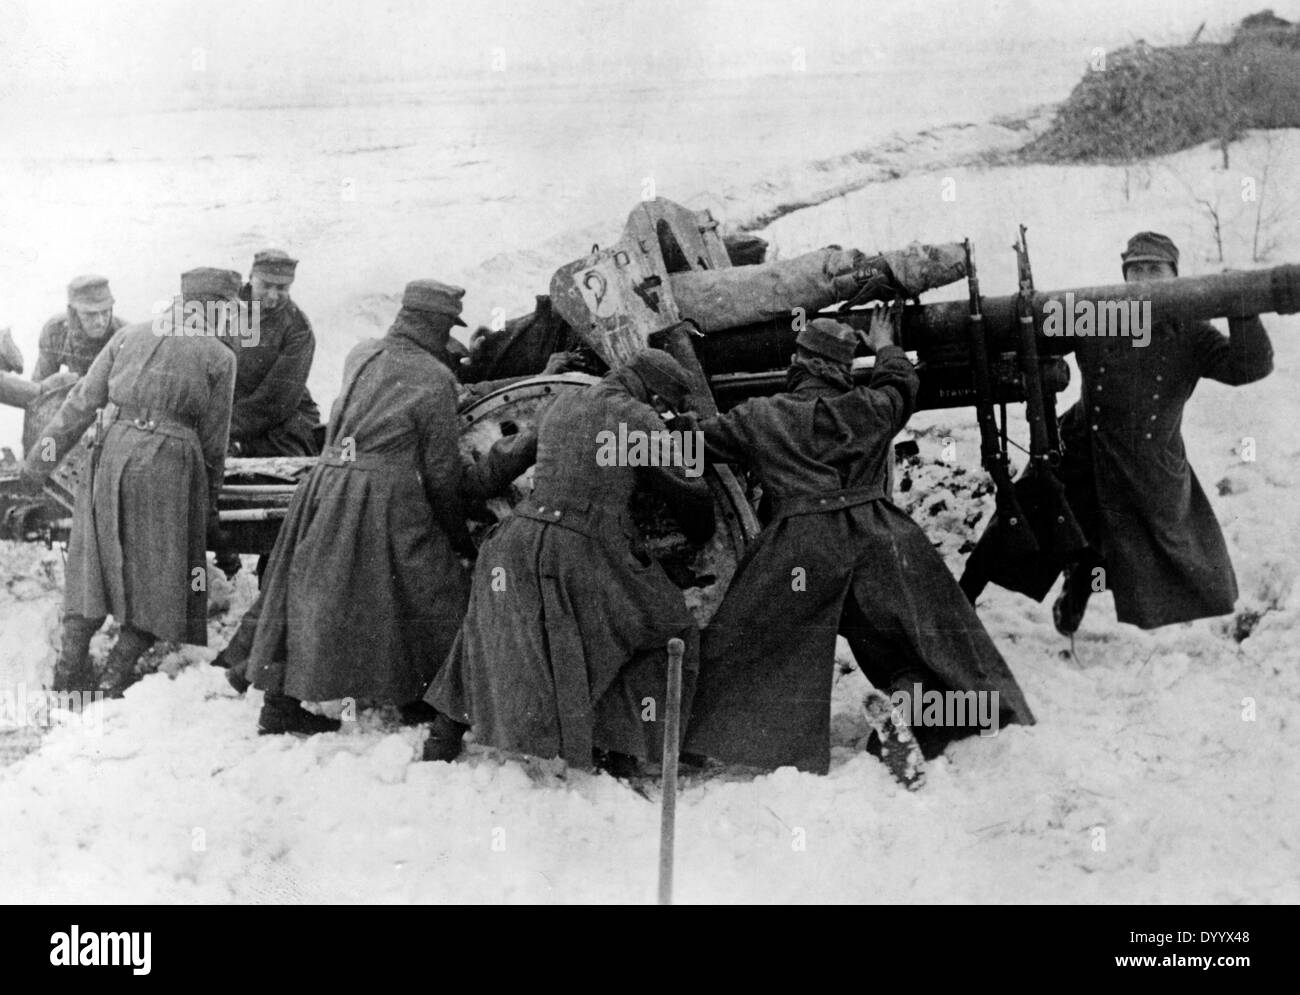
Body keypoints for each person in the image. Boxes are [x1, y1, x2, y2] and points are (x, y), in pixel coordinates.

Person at [681, 313, 1036, 777]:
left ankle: (715, 738)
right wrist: (886, 344)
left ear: (800, 363)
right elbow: (901, 383)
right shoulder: (872, 408)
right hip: (881, 537)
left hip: (800, 546)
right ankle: (923, 711)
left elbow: (690, 443)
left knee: (748, 645)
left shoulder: (761, 417)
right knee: (915, 641)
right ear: (844, 368)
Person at [961, 232, 1275, 633]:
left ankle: (1080, 587)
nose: (1144, 279)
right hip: (1079, 444)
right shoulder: (1103, 312)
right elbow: (1039, 335)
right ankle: (962, 598)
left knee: (1134, 546)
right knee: (1022, 516)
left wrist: (1241, 306)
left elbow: (1248, 367)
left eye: (1154, 269)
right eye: (1135, 270)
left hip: (1147, 463)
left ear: (1175, 276)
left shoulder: (1191, 330)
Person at [421, 349, 716, 775]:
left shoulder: (564, 404)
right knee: (665, 627)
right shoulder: (638, 420)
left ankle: (441, 741)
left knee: (485, 633)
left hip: (516, 540)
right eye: (663, 403)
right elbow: (690, 496)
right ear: (651, 393)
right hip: (585, 547)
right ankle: (623, 750)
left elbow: (494, 472)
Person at [244, 280, 483, 735]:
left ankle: (281, 701)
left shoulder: (362, 352)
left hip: (327, 482)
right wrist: (457, 536)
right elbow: (440, 475)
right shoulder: (435, 381)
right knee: (436, 589)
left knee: (312, 589)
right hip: (382, 495)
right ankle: (425, 695)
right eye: (447, 327)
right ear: (436, 325)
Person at [22, 268, 238, 696]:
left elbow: (78, 404)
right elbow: (215, 446)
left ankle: (69, 670)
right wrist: (207, 509)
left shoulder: (129, 336)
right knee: (164, 571)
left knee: (93, 560)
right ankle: (114, 678)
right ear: (218, 307)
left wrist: (37, 464)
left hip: (113, 454)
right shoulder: (220, 357)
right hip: (173, 467)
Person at [227, 249, 321, 457]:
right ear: (251, 278)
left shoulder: (298, 328)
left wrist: (226, 429)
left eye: (281, 288)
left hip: (280, 417)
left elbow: (277, 398)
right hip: (230, 412)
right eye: (266, 285)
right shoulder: (226, 307)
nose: (272, 295)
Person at [32, 276, 127, 381]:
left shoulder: (124, 337)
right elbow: (41, 386)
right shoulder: (55, 331)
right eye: (90, 314)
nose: (100, 322)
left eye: (105, 312)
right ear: (73, 313)